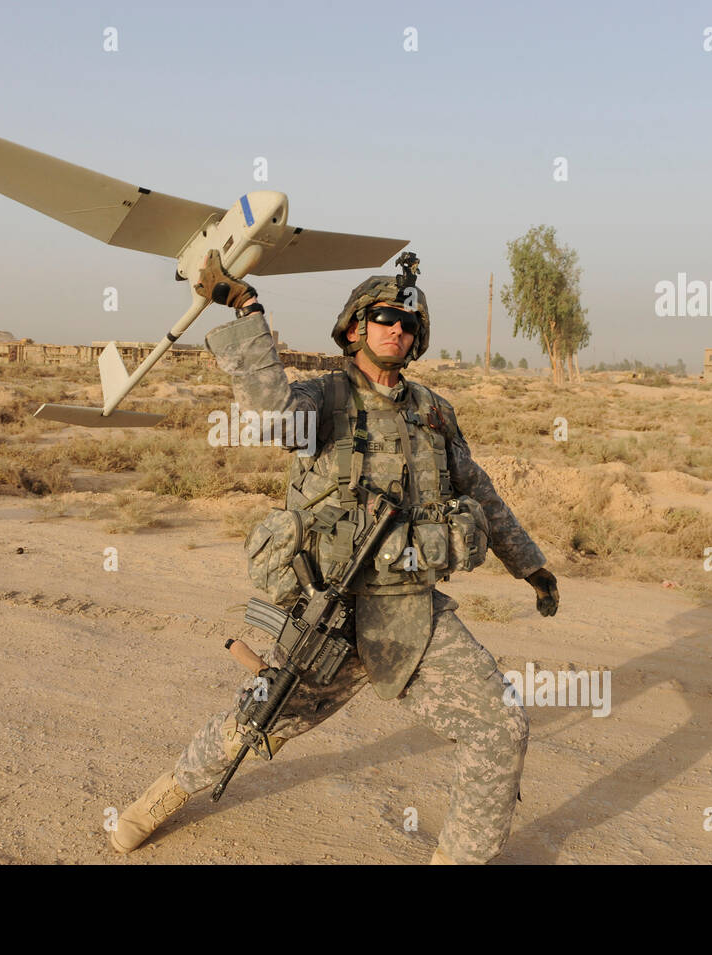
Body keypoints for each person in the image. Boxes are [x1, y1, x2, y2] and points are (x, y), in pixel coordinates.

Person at [109, 253, 559, 864]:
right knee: (256, 722)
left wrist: (528, 564)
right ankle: (158, 800)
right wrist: (247, 310)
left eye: (407, 321)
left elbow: (476, 489)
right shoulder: (323, 400)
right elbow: (269, 414)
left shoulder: (432, 411)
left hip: (413, 615)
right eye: (381, 317)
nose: (395, 328)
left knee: (501, 727)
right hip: (331, 616)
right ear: (354, 328)